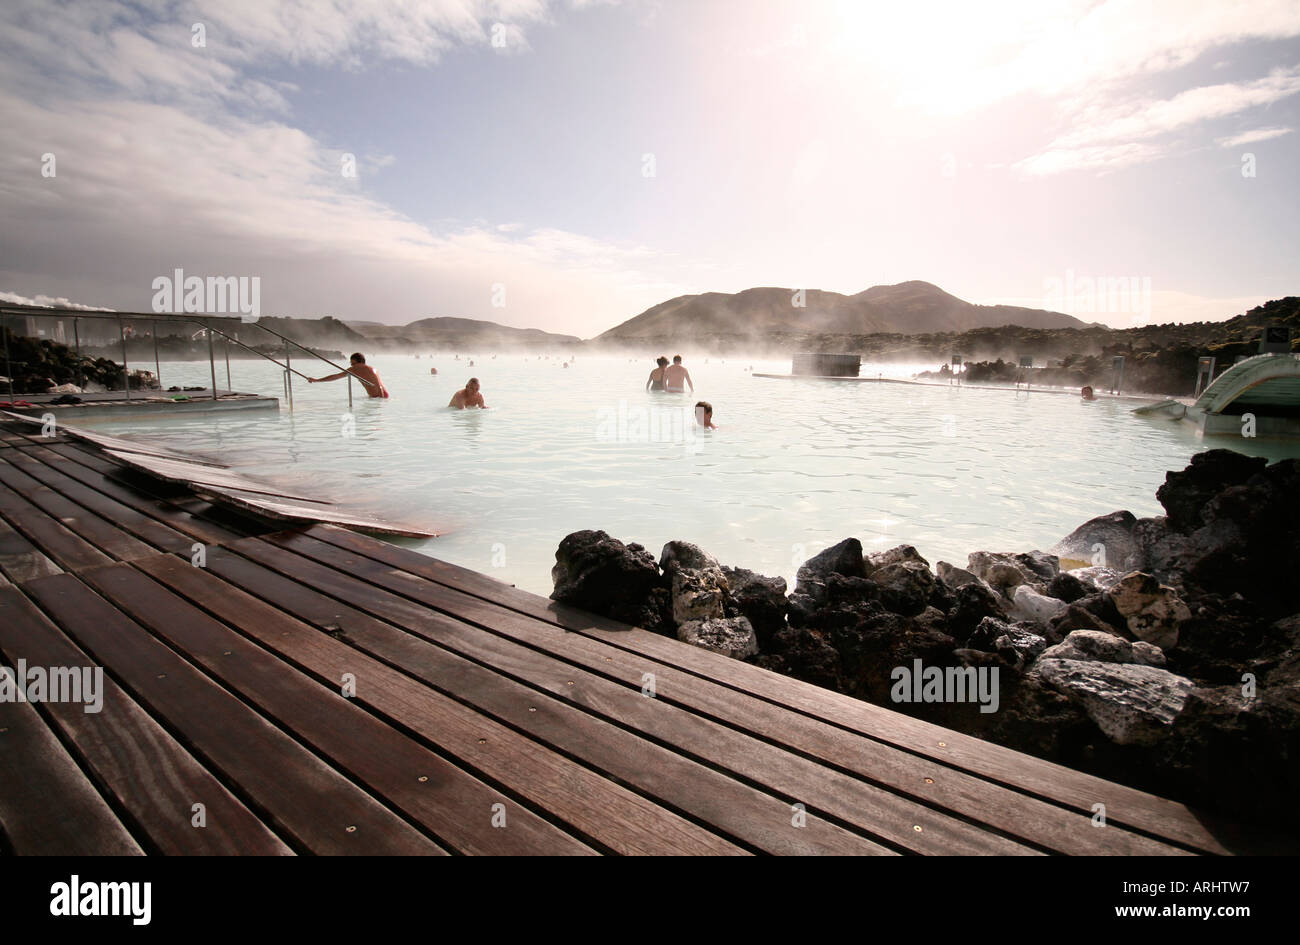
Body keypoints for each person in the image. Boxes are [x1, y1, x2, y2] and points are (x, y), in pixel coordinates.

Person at [308, 352, 388, 398]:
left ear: (360, 362)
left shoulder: (371, 370)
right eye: (351, 363)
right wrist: (316, 380)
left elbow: (379, 387)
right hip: (375, 397)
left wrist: (380, 403)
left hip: (381, 396)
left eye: (352, 363)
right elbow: (336, 376)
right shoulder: (354, 369)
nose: (352, 365)